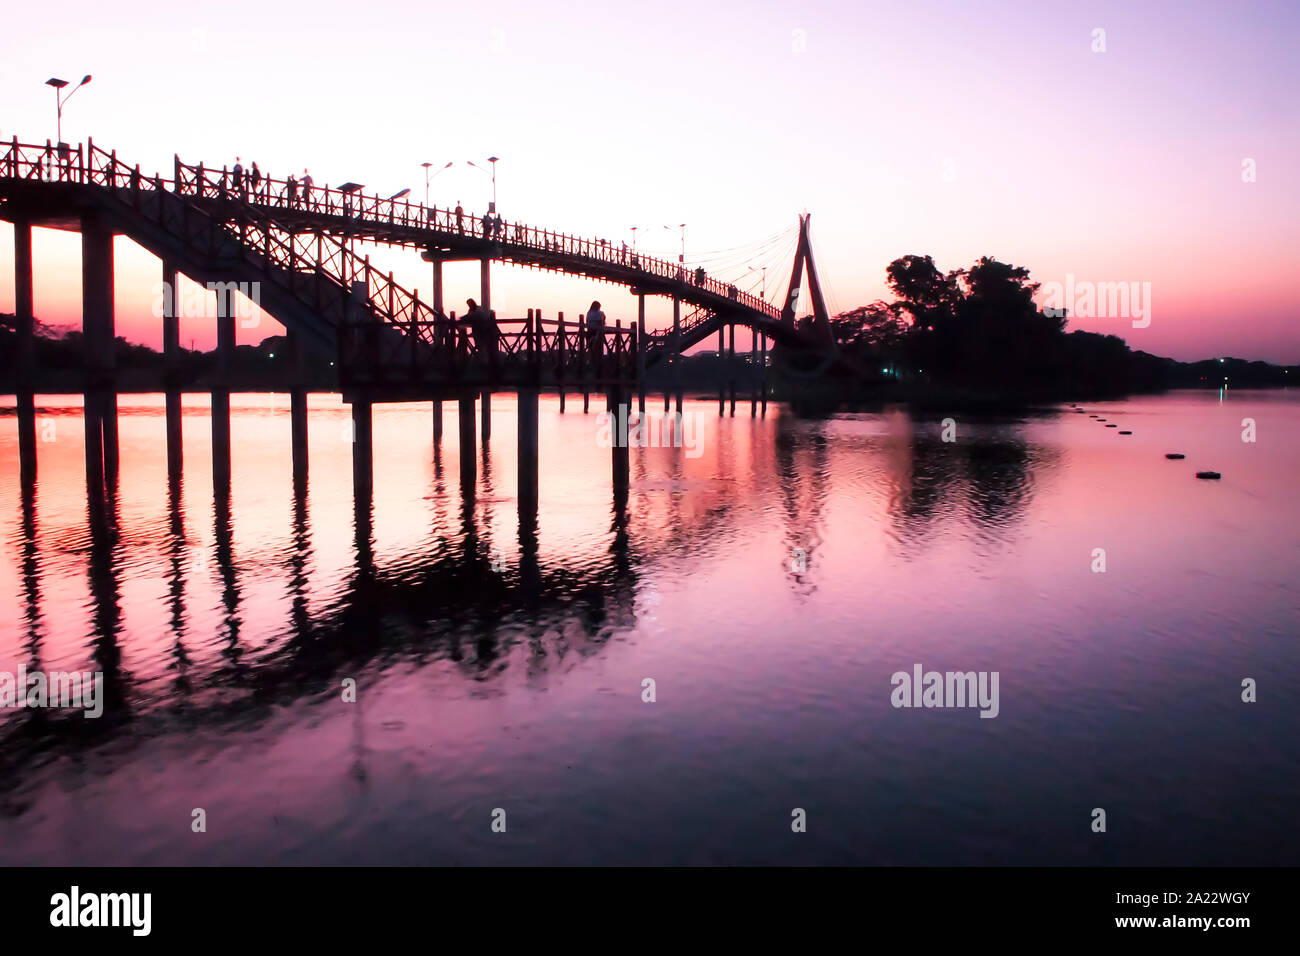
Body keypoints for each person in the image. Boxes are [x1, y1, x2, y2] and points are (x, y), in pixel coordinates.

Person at [465, 298, 499, 374]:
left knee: (484, 349)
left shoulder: (477, 310)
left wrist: (460, 319)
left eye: (469, 304)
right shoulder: (474, 310)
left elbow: (469, 317)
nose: (469, 305)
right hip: (478, 332)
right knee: (482, 349)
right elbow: (469, 318)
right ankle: (485, 367)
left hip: (482, 333)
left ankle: (486, 367)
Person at [586, 300, 606, 372]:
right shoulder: (601, 313)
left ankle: (591, 362)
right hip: (597, 332)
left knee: (591, 349)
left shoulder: (589, 313)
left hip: (589, 332)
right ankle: (598, 366)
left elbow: (587, 322)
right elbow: (602, 322)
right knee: (598, 350)